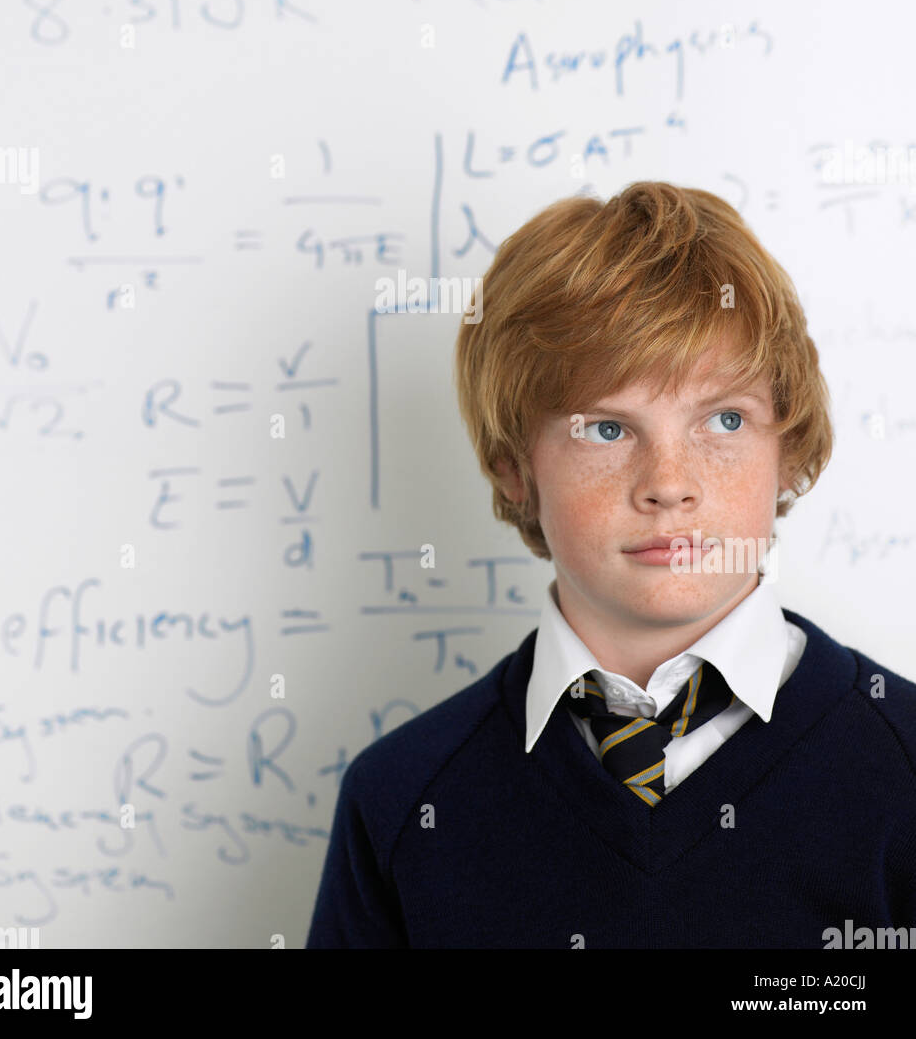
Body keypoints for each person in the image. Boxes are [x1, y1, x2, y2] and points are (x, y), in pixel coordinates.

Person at [305, 182, 916, 949]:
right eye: (603, 428)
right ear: (512, 470)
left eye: (724, 419)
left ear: (786, 446)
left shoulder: (901, 767)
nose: (668, 482)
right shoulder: (399, 799)